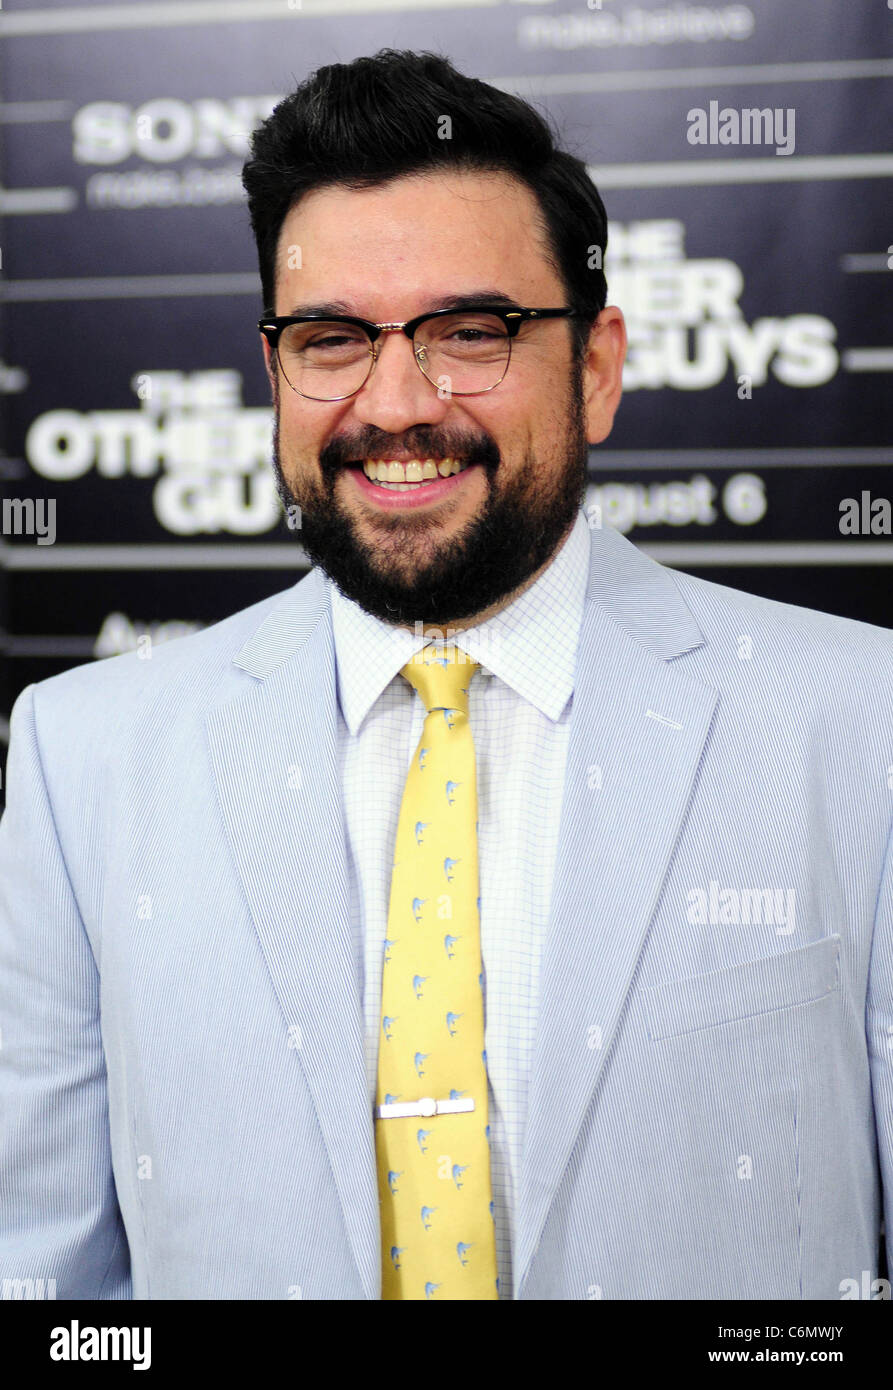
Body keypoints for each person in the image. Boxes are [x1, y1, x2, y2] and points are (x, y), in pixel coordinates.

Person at [1, 47, 891, 1302]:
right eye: (330, 339)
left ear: (593, 368)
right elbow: (44, 1291)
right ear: (274, 375)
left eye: (468, 333)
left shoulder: (860, 725)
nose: (396, 402)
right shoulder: (80, 759)